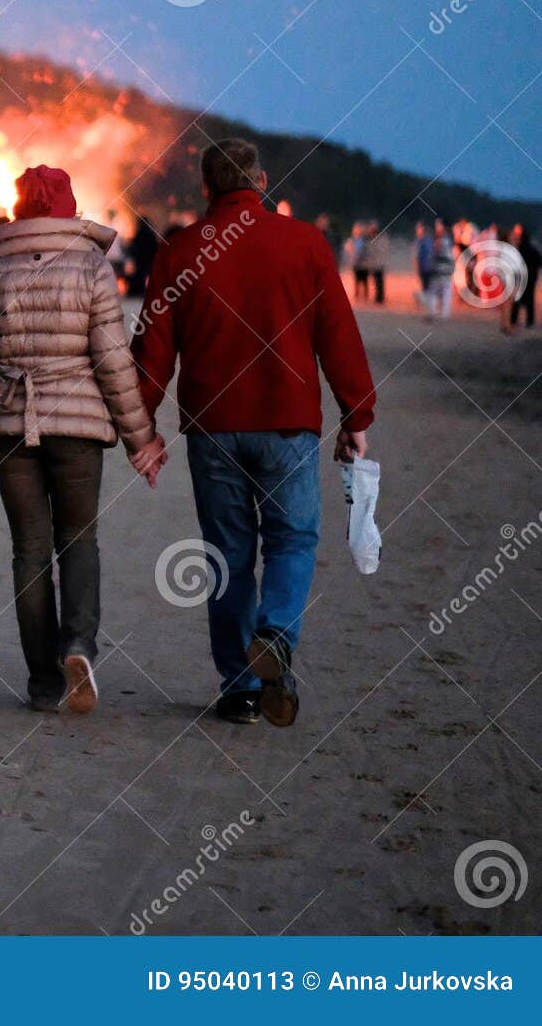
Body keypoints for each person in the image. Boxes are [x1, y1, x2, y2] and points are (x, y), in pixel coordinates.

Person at [131, 139, 376, 727]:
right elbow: (337, 334)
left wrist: (141, 428)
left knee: (228, 556)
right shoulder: (306, 243)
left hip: (212, 428)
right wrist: (356, 414)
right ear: (262, 180)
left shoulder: (181, 250)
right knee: (292, 541)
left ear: (206, 187)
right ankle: (276, 636)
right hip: (288, 422)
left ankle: (240, 689)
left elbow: (153, 350)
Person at [0, 165, 163, 715]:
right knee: (79, 541)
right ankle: (79, 646)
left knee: (30, 551)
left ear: (18, 208)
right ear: (67, 206)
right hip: (79, 424)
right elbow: (113, 362)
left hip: (6, 422)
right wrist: (141, 439)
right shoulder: (92, 267)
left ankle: (42, 683)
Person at [506, 224, 541, 332]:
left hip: (521, 278)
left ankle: (513, 320)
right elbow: (540, 262)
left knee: (517, 299)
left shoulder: (519, 249)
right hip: (532, 278)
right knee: (530, 299)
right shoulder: (534, 249)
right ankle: (529, 320)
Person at [424, 219, 455, 320]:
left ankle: (434, 312)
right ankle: (444, 312)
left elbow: (436, 252)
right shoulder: (450, 238)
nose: (436, 227)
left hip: (440, 268)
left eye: (438, 225)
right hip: (447, 268)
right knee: (445, 290)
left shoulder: (442, 239)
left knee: (434, 290)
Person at [361, 222, 388, 304]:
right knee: (377, 282)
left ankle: (379, 298)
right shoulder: (378, 239)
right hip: (377, 264)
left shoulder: (378, 239)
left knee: (378, 282)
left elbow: (374, 251)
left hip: (378, 264)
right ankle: (379, 298)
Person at [342, 222, 368, 300]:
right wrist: (350, 259)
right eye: (357, 229)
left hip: (364, 264)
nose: (359, 231)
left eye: (360, 230)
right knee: (357, 280)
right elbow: (347, 251)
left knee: (364, 280)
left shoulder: (365, 240)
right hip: (355, 263)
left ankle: (365, 296)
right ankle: (357, 295)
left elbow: (368, 251)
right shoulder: (351, 240)